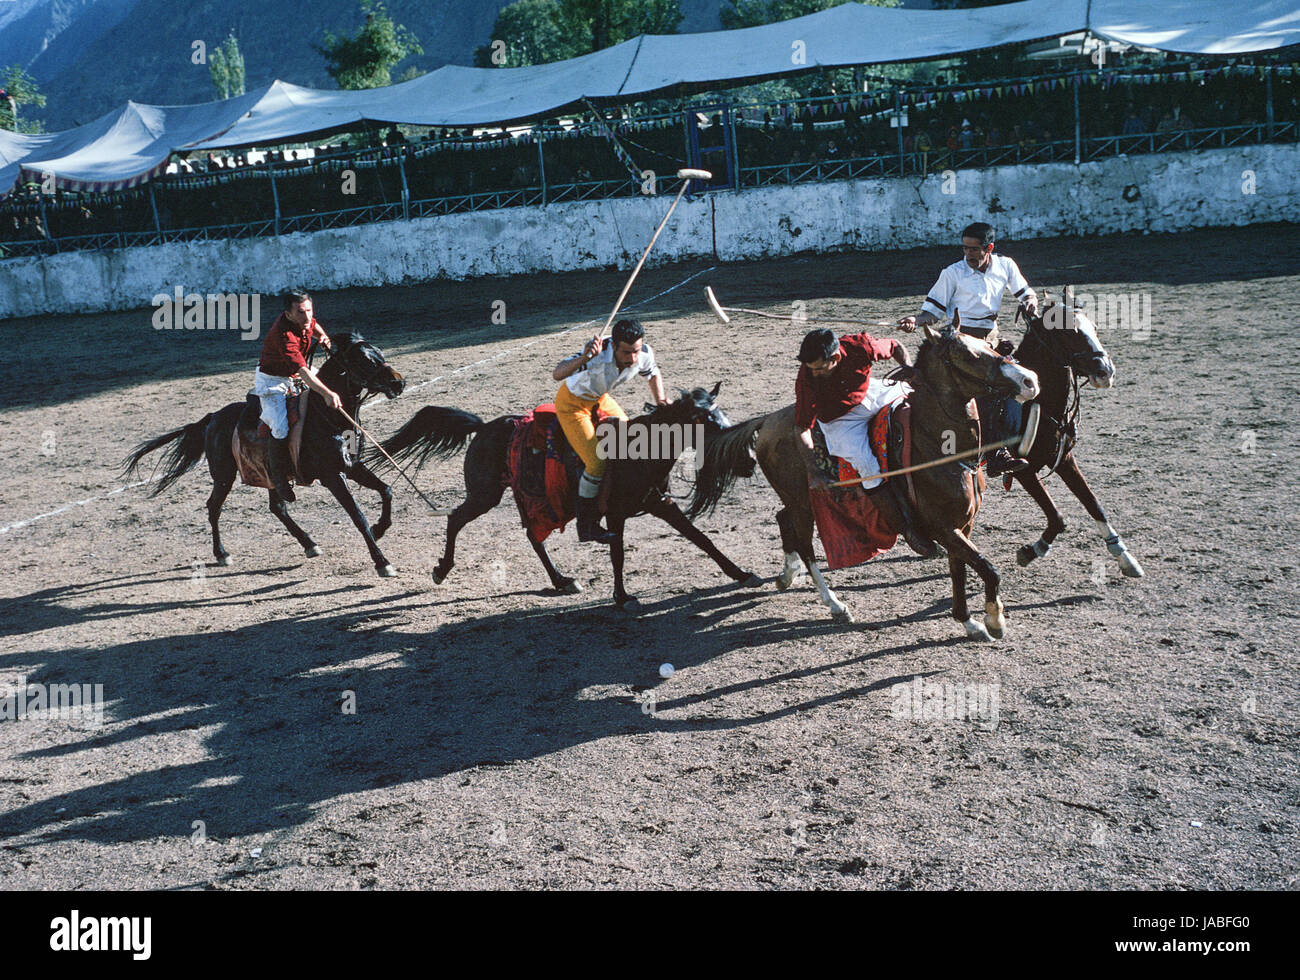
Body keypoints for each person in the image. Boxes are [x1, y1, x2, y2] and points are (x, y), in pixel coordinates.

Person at [897, 221, 1038, 476]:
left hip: (991, 338)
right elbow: (933, 311)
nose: (968, 254)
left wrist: (1029, 302)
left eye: (974, 249)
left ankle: (1018, 443)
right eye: (965, 249)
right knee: (987, 388)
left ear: (989, 248)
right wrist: (915, 321)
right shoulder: (952, 273)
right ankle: (993, 455)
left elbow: (1026, 293)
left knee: (1019, 379)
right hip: (961, 342)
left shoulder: (1005, 265)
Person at [794, 328, 935, 558]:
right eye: (811, 368)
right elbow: (801, 427)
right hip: (839, 421)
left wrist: (909, 369)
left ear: (836, 357)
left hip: (871, 393)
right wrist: (814, 471)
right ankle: (907, 530)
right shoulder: (807, 378)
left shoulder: (860, 347)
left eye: (819, 368)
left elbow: (896, 345)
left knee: (921, 395)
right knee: (866, 465)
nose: (814, 373)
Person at [552, 318, 667, 543]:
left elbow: (652, 372)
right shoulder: (596, 356)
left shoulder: (642, 353)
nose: (632, 359)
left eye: (635, 351)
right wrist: (585, 357)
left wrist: (660, 399)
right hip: (573, 405)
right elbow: (557, 373)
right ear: (613, 346)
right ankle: (586, 525)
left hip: (599, 399)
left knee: (632, 439)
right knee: (596, 461)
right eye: (626, 352)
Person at [254, 290, 343, 501]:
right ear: (288, 314)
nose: (307, 317)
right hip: (273, 382)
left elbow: (315, 326)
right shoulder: (284, 336)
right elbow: (304, 372)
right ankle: (278, 478)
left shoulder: (305, 321)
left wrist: (322, 337)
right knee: (280, 426)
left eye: (309, 310)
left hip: (293, 374)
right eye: (301, 312)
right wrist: (328, 393)